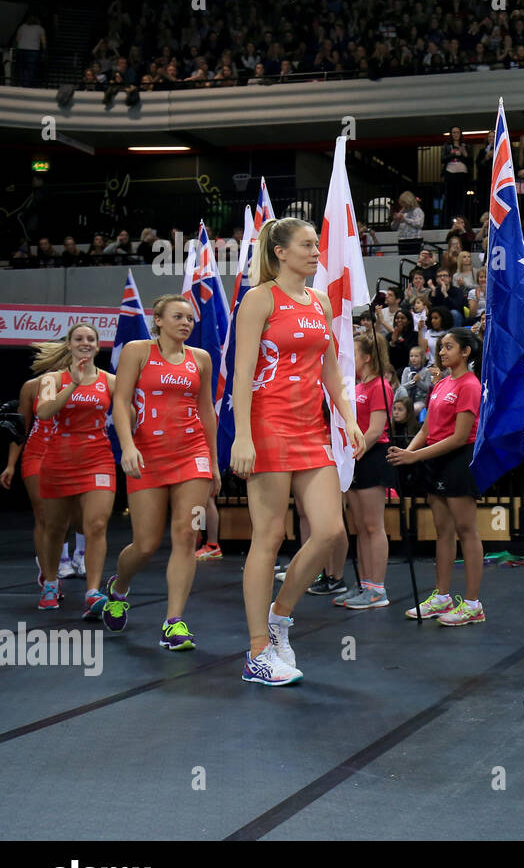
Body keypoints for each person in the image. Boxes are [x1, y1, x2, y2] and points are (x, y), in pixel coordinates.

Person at [230, 217, 365, 686]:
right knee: (267, 538)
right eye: (306, 245)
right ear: (280, 252)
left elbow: (329, 367)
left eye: (316, 245)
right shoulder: (259, 299)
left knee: (329, 531)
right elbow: (242, 372)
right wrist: (241, 435)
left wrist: (347, 416)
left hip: (311, 430)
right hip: (267, 426)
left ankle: (280, 616)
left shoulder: (320, 301)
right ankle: (256, 651)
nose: (315, 252)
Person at [102, 294, 218, 647]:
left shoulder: (201, 359)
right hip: (147, 455)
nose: (186, 323)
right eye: (178, 317)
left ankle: (174, 621)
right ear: (159, 321)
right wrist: (128, 447)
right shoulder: (138, 351)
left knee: (186, 535)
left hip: (192, 454)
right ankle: (119, 589)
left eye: (190, 318)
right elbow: (120, 401)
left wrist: (212, 461)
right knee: (147, 544)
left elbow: (208, 411)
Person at [387, 329, 485, 625]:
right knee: (443, 531)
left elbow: (458, 438)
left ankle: (472, 604)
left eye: (449, 347)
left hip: (458, 460)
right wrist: (405, 454)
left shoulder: (470, 385)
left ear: (466, 352)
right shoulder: (441, 384)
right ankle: (442, 597)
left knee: (466, 531)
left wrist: (415, 456)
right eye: (441, 347)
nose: (442, 352)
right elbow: (425, 431)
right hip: (435, 460)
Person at [32, 324, 117, 616]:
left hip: (98, 459)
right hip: (58, 460)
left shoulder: (110, 380)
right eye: (79, 339)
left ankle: (93, 593)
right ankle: (51, 583)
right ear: (68, 345)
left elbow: (128, 412)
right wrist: (74, 384)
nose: (85, 342)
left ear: (97, 346)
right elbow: (43, 412)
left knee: (96, 525)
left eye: (90, 339)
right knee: (55, 528)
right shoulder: (53, 379)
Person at [338, 333, 397, 609]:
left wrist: (354, 453)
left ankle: (377, 588)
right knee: (360, 527)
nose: (350, 357)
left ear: (367, 357)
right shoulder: (357, 387)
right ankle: (364, 584)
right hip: (354, 458)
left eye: (354, 351)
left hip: (370, 456)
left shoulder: (380, 386)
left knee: (374, 526)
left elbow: (375, 430)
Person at [2, 368, 61, 606]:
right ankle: (50, 580)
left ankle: (55, 559)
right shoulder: (35, 386)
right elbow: (21, 428)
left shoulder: (91, 382)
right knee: (44, 517)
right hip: (38, 454)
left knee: (66, 522)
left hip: (72, 455)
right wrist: (10, 466)